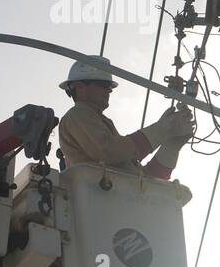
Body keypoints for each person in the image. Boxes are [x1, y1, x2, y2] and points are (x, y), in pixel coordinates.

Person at [58, 59, 194, 180]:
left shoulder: (103, 123)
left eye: (109, 87)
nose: (109, 91)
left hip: (114, 202)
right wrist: (161, 130)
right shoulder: (77, 115)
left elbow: (146, 179)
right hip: (100, 201)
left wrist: (171, 145)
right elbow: (108, 151)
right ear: (79, 87)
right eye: (102, 85)